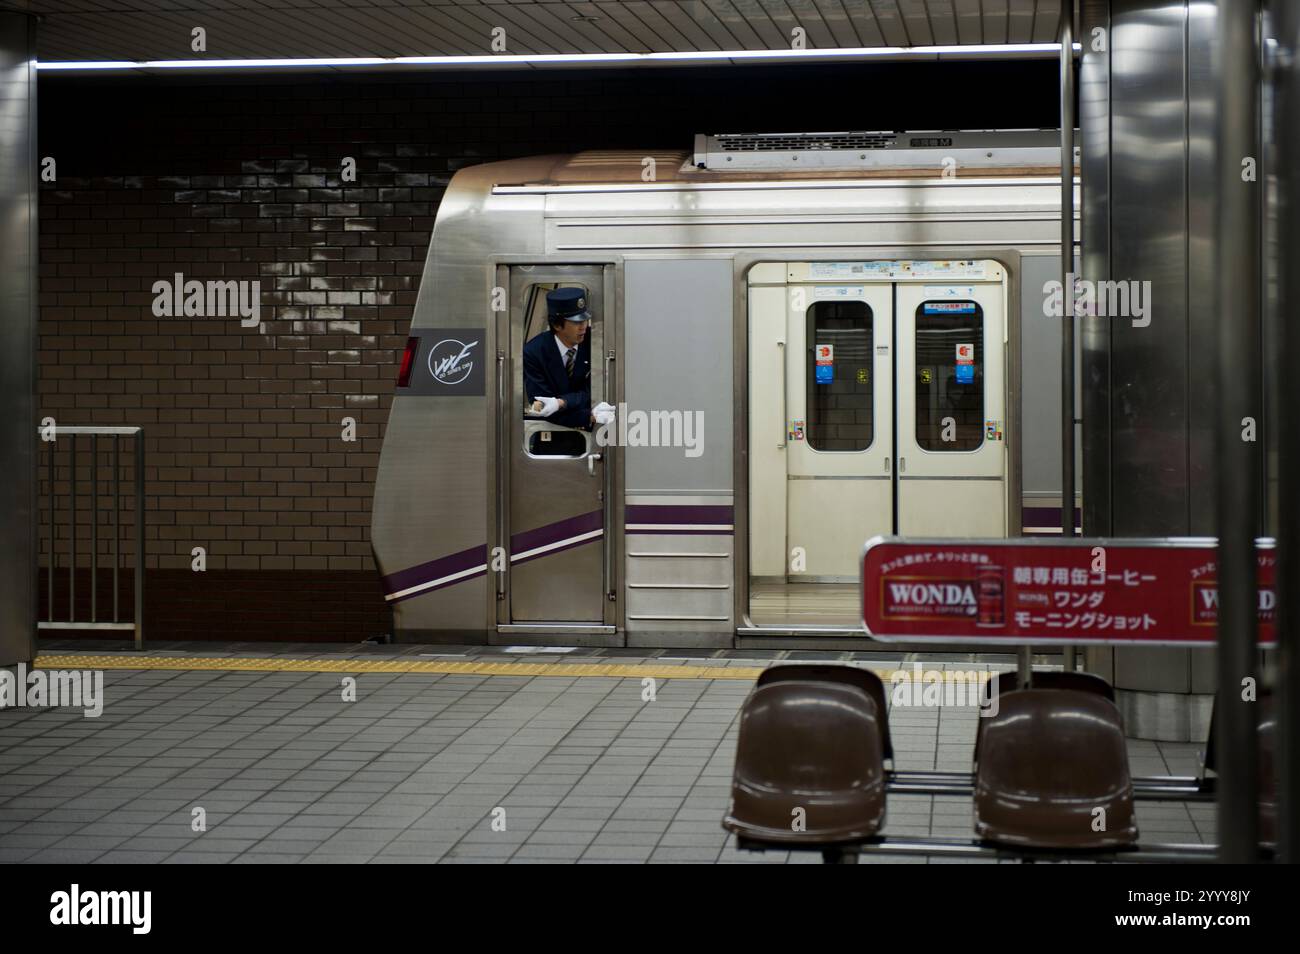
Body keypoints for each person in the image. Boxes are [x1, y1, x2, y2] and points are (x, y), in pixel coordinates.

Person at [523, 287, 597, 430]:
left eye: (585, 320)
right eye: (576, 323)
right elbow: (543, 406)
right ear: (557, 325)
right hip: (552, 437)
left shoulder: (595, 342)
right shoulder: (534, 352)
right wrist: (589, 416)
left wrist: (561, 403)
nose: (583, 327)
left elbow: (594, 393)